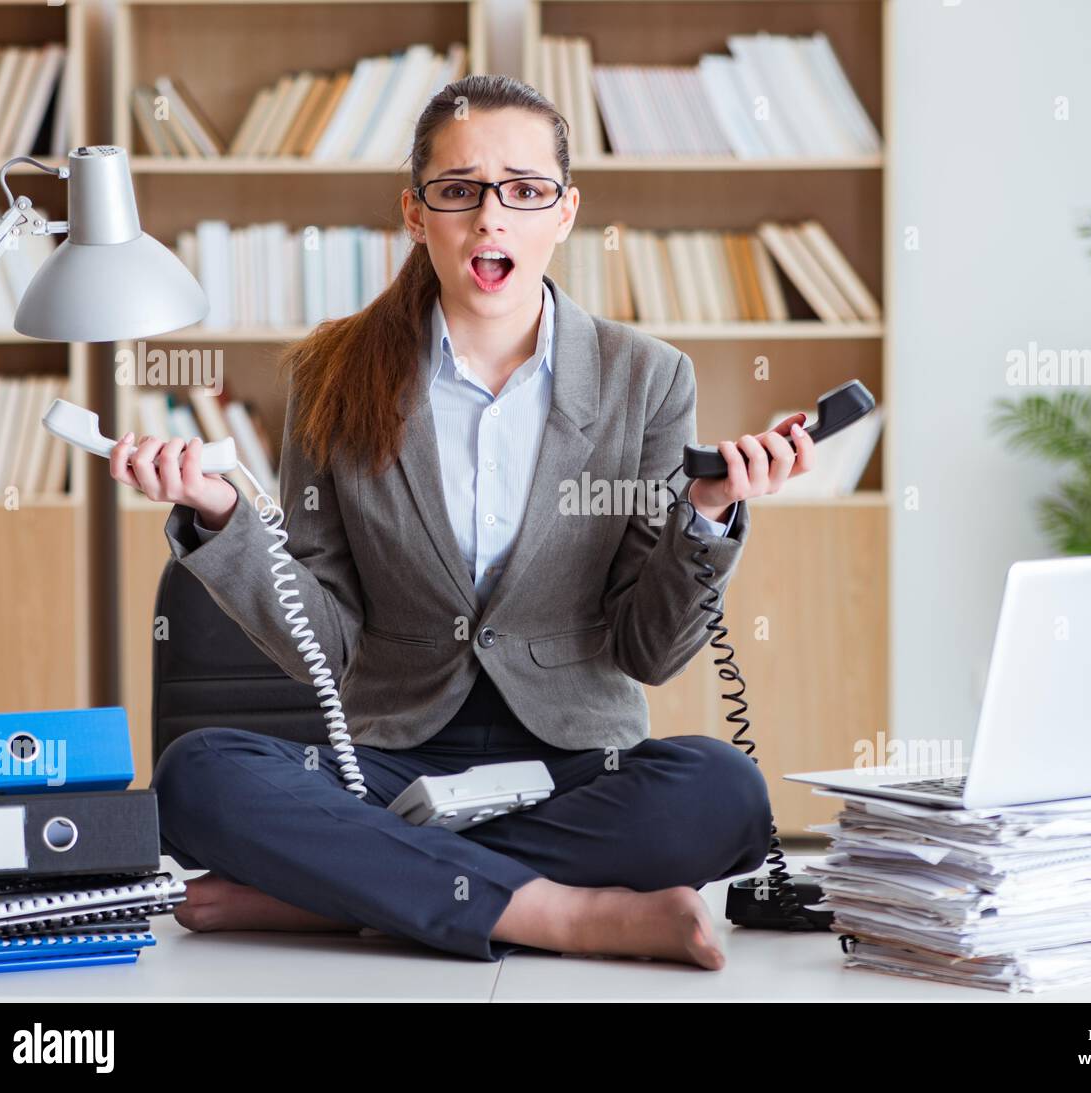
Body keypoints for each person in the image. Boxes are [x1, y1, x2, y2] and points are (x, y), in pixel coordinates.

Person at [112, 74, 815, 971]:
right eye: (459, 190)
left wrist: (707, 517)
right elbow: (323, 645)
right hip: (393, 769)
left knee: (724, 795)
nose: (492, 217)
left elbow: (649, 650)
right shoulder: (331, 374)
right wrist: (222, 518)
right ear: (416, 213)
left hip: (576, 768)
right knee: (196, 776)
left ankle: (339, 896)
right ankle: (561, 914)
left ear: (564, 213)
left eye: (525, 190)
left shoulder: (648, 378)